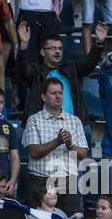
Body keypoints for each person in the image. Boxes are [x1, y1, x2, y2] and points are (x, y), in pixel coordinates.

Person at [17, 22, 107, 126]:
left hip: (72, 127)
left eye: (60, 48)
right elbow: (21, 71)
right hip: (43, 128)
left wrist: (99, 43)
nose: (57, 51)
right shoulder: (36, 71)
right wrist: (23, 45)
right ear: (42, 52)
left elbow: (89, 64)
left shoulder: (71, 69)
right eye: (53, 48)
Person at [22, 78, 89, 211]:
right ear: (43, 97)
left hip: (68, 182)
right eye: (53, 93)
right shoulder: (34, 120)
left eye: (60, 93)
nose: (58, 96)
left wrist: (70, 145)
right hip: (40, 182)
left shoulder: (74, 121)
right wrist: (57, 141)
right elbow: (34, 152)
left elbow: (83, 155)